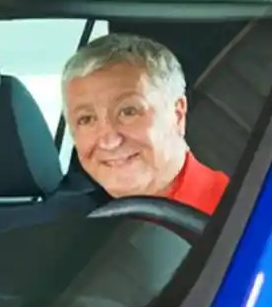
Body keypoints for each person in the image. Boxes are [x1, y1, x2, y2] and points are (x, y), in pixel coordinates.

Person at [61, 33, 229, 215]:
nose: (109, 141)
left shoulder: (241, 217)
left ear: (177, 115)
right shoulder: (67, 223)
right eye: (86, 119)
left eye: (129, 112)